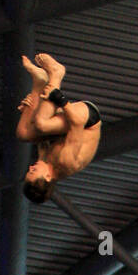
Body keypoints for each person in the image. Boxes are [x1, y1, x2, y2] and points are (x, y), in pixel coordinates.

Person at [17, 52, 102, 203]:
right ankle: (56, 73)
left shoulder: (45, 162)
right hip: (87, 120)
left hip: (66, 128)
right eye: (33, 171)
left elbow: (39, 137)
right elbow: (77, 123)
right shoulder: (66, 161)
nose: (30, 167)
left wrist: (29, 108)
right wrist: (59, 98)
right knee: (42, 124)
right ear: (48, 177)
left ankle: (39, 82)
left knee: (23, 133)